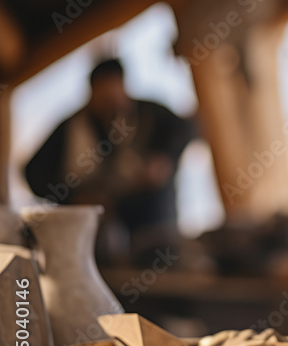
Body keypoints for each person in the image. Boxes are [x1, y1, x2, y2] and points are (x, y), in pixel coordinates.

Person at [24, 58, 195, 264]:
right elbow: (34, 172)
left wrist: (164, 158)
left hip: (154, 223)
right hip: (97, 236)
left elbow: (187, 128)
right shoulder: (71, 129)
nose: (110, 107)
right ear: (91, 93)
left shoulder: (153, 114)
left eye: (114, 97)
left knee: (162, 266)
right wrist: (73, 197)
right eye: (103, 98)